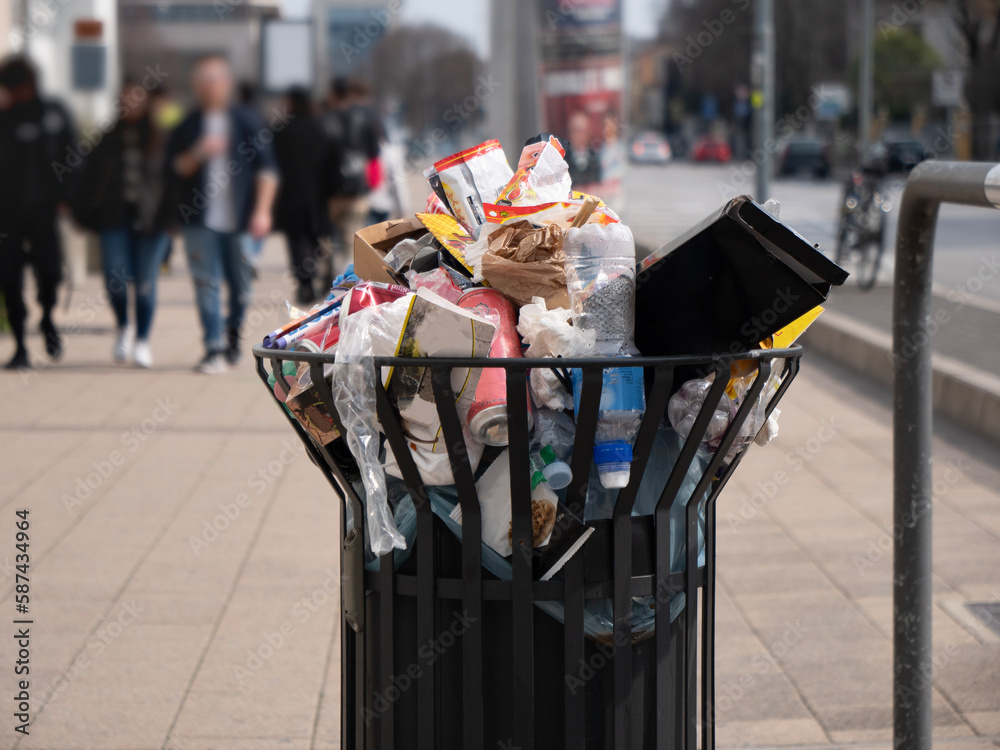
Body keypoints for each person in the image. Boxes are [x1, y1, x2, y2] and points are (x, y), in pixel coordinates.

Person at [164, 55, 279, 375]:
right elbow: (173, 169)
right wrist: (200, 151)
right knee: (206, 284)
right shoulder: (187, 125)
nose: (209, 87)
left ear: (227, 83)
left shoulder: (247, 121)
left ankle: (232, 335)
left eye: (215, 80)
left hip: (241, 221)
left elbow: (267, 170)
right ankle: (213, 347)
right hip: (199, 222)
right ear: (195, 87)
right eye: (203, 81)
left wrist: (262, 212)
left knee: (241, 287)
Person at [73, 81, 173, 368]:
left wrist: (174, 217)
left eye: (136, 98)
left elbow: (172, 181)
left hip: (153, 221)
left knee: (144, 282)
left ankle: (142, 340)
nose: (131, 103)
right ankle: (123, 327)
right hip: (115, 218)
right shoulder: (108, 137)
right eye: (125, 98)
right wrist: (82, 215)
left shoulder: (160, 137)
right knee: (115, 279)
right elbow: (88, 179)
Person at [0, 56, 75, 370]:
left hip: (44, 212)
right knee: (8, 279)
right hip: (7, 215)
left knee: (50, 273)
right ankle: (19, 346)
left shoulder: (54, 114)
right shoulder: (4, 119)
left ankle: (47, 318)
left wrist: (68, 199)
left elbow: (73, 157)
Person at [273, 86, 337, 304]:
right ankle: (323, 275)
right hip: (319, 196)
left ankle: (305, 283)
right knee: (317, 237)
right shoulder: (321, 129)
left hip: (290, 196)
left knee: (297, 240)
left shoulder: (281, 131)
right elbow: (333, 164)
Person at [323, 77, 381, 282]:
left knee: (328, 241)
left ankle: (329, 276)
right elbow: (374, 154)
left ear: (332, 95)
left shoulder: (324, 120)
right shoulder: (365, 120)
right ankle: (346, 283)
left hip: (330, 193)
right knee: (351, 242)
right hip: (357, 191)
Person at [564, 111, 601, 191]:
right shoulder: (562, 159)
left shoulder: (596, 157)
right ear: (570, 132)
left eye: (585, 131)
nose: (582, 136)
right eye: (578, 131)